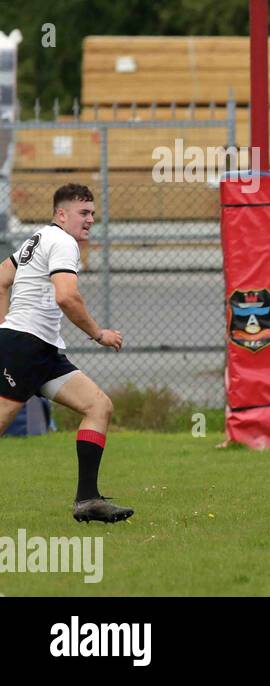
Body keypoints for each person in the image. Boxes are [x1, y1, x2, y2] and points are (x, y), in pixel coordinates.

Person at [0, 183, 133, 522]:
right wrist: (98, 333)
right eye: (83, 213)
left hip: (40, 350)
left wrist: (5, 327)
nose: (90, 219)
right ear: (61, 214)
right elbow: (66, 296)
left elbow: (1, 278)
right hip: (26, 347)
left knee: (98, 406)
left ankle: (88, 500)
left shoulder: (39, 237)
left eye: (92, 213)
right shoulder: (62, 241)